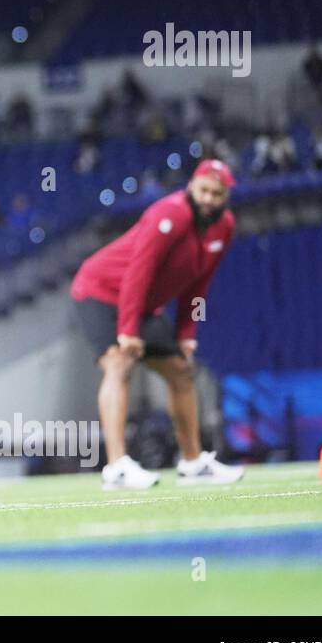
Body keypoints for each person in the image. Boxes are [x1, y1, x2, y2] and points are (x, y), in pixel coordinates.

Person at [70, 160, 245, 490]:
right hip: (99, 290)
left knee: (181, 370)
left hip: (143, 305)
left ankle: (193, 465)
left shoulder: (224, 227)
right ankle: (117, 467)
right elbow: (140, 270)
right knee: (120, 364)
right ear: (191, 187)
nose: (208, 198)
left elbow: (199, 284)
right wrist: (128, 329)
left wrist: (186, 333)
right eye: (203, 190)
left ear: (226, 197)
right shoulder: (170, 214)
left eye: (216, 194)